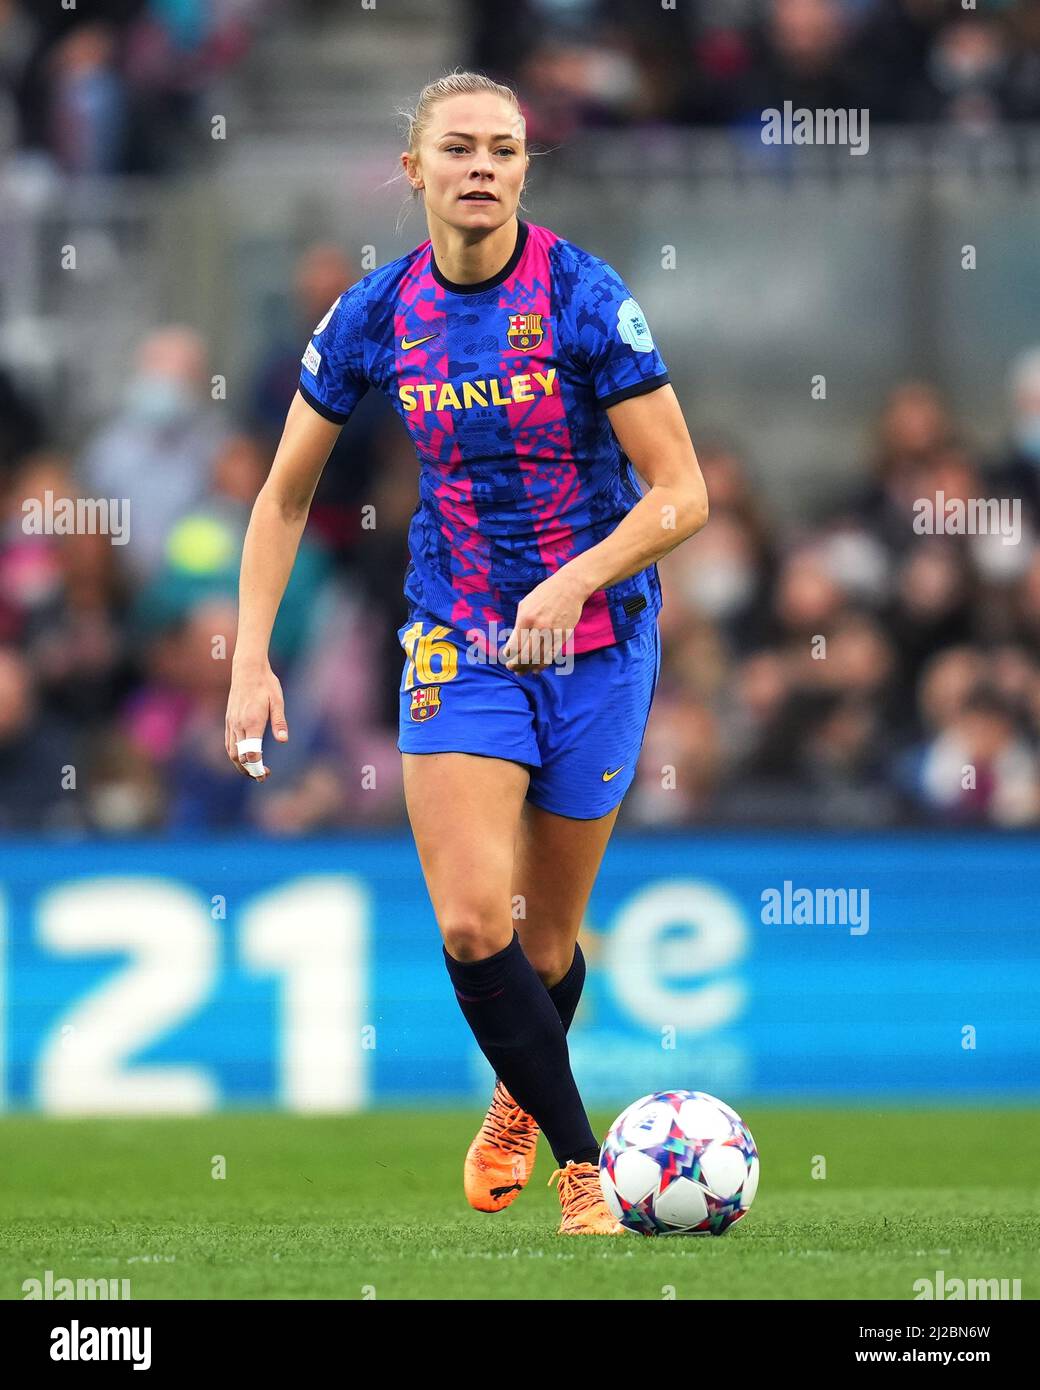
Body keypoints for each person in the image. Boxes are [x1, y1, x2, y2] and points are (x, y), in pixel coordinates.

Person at [225, 70, 708, 1234]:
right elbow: (284, 495)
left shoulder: (585, 299)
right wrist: (249, 657)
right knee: (469, 923)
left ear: (524, 168)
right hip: (458, 638)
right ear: (416, 171)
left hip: (598, 641)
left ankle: (513, 1097)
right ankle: (585, 1168)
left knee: (545, 943)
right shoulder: (372, 315)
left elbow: (679, 492)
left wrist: (575, 575)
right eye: (457, 149)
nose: (480, 166)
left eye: (502, 148)